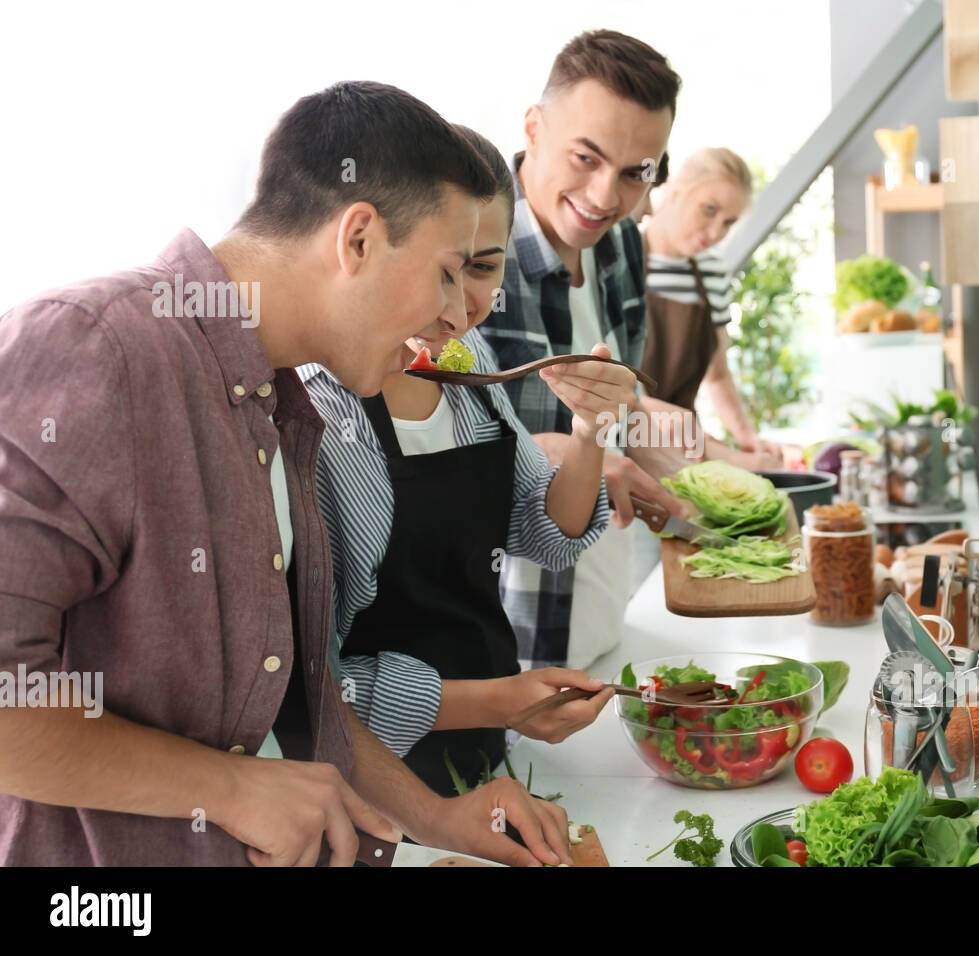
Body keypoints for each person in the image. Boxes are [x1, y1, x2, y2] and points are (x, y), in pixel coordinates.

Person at [0, 81, 574, 867]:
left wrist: (441, 821)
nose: (455, 316)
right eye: (446, 273)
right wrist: (229, 788)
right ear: (359, 238)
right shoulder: (93, 346)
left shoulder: (287, 405)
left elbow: (307, 700)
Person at [300, 128, 622, 796]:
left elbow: (545, 532)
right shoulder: (311, 405)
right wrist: (502, 701)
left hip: (490, 758)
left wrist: (590, 430)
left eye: (484, 269)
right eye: (442, 270)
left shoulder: (465, 363)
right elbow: (314, 681)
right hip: (371, 784)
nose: (458, 308)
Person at [478, 30, 696, 671]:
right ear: (534, 129)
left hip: (606, 618)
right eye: (585, 158)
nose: (605, 196)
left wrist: (697, 466)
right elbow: (439, 446)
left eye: (636, 173)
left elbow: (619, 404)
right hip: (507, 652)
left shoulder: (623, 243)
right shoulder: (471, 256)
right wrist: (575, 457)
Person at [639, 147, 788, 466]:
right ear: (676, 191)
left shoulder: (711, 275)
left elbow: (717, 375)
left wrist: (748, 440)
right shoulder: (621, 259)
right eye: (709, 210)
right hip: (628, 436)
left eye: (728, 223)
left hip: (687, 443)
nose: (716, 233)